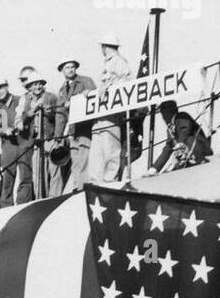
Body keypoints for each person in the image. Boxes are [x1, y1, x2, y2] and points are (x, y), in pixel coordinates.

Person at [88, 33, 132, 183]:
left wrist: (110, 86)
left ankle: (109, 182)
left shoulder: (119, 61)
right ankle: (96, 182)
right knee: (97, 153)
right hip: (100, 115)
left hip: (112, 116)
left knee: (110, 152)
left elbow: (127, 82)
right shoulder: (107, 63)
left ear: (105, 47)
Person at [15, 70, 61, 203]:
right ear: (29, 87)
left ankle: (55, 199)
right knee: (37, 171)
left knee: (54, 170)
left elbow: (59, 115)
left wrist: (49, 112)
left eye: (39, 84)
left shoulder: (51, 97)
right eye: (34, 85)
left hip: (49, 138)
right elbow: (21, 118)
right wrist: (32, 111)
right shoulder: (26, 100)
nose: (37, 87)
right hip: (34, 141)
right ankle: (40, 200)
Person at [54, 58, 96, 193]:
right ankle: (77, 187)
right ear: (62, 70)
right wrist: (58, 137)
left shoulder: (85, 81)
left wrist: (82, 96)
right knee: (76, 159)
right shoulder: (62, 89)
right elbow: (60, 114)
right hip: (72, 129)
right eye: (67, 67)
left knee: (84, 157)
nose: (70, 69)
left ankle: (84, 188)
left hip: (84, 126)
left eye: (72, 67)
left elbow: (94, 95)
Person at [148, 100, 213, 172]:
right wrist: (155, 168)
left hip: (200, 150)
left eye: (163, 113)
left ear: (169, 112)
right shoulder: (170, 128)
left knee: (189, 139)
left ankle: (200, 160)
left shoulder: (182, 116)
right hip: (188, 154)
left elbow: (185, 129)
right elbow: (168, 148)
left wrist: (178, 145)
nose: (162, 117)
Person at [0, 74, 22, 208]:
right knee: (8, 176)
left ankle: (24, 205)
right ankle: (6, 207)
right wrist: (5, 131)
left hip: (24, 142)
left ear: (6, 87)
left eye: (0, 88)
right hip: (8, 144)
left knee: (25, 176)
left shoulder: (20, 100)